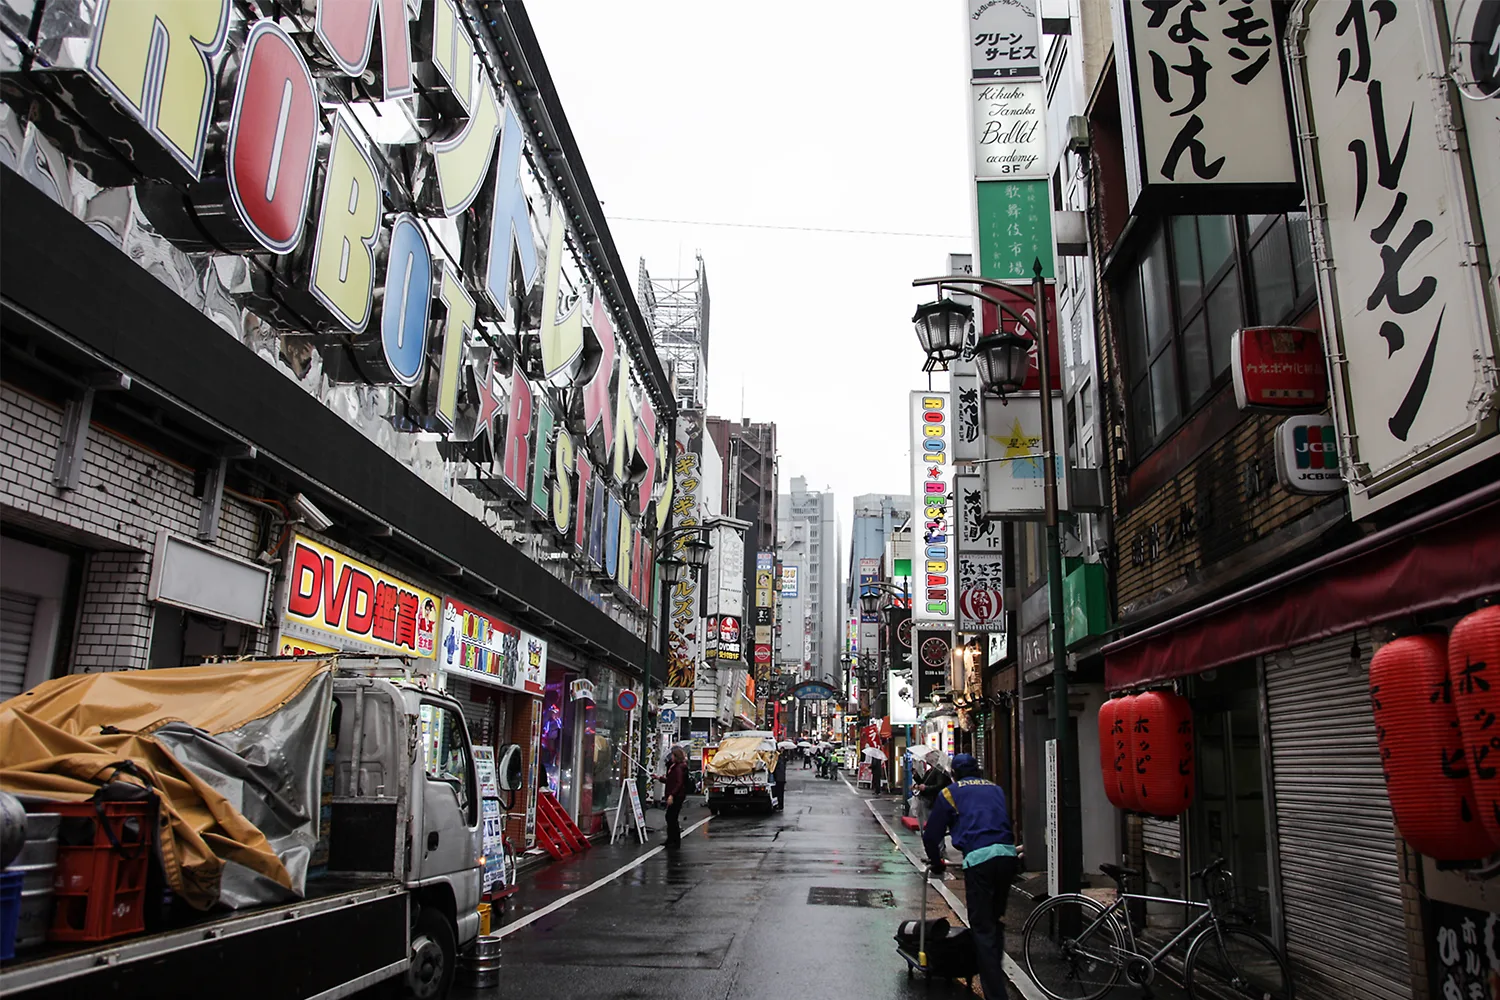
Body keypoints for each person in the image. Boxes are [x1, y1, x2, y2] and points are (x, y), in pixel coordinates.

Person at [921, 753, 1017, 1000]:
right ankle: (992, 969)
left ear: (954, 773)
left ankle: (996, 994)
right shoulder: (995, 789)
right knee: (994, 922)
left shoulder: (950, 793)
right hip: (1007, 856)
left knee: (983, 929)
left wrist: (937, 862)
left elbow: (931, 834)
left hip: (980, 860)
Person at [912, 750, 951, 830]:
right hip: (927, 800)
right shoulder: (930, 771)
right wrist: (916, 777)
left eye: (928, 756)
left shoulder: (939, 771)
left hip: (933, 801)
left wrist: (926, 788)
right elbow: (924, 782)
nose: (926, 758)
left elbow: (939, 786)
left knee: (934, 824)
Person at [663, 746, 689, 848]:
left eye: (673, 755)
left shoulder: (678, 768)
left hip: (677, 796)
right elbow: (671, 780)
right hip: (677, 795)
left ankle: (674, 840)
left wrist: (672, 795)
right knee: (671, 817)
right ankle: (672, 840)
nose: (671, 757)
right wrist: (659, 778)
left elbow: (678, 783)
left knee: (671, 817)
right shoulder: (676, 767)